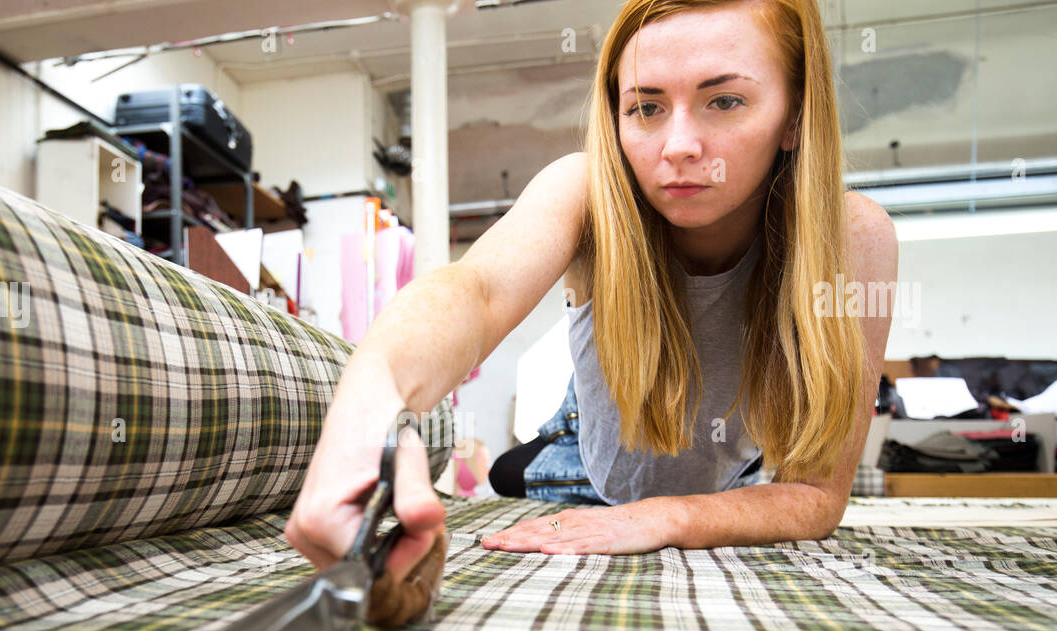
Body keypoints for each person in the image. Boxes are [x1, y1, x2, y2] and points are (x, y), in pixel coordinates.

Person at [285, 0, 897, 578]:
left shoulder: (853, 238)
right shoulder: (585, 193)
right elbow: (476, 290)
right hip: (584, 449)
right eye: (646, 108)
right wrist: (368, 407)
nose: (680, 146)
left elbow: (816, 495)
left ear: (795, 116)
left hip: (732, 475)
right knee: (505, 474)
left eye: (725, 100)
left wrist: (666, 518)